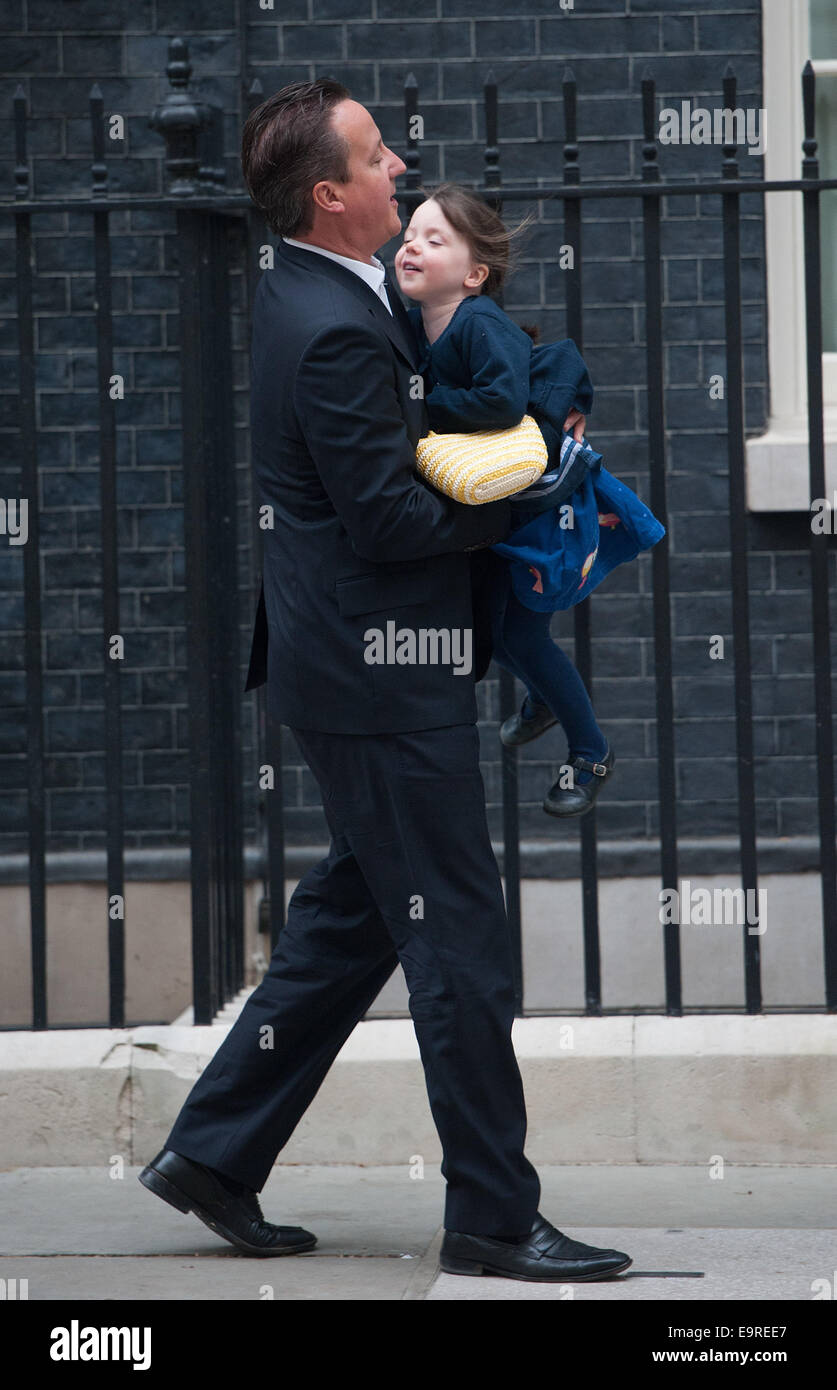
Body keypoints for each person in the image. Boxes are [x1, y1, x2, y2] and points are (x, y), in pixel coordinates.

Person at [138, 80, 632, 1284]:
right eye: (374, 154)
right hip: (376, 674)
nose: (401, 164)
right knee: (460, 940)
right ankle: (493, 1219)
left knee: (356, 922)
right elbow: (392, 518)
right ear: (328, 193)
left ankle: (212, 1152)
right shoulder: (330, 326)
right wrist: (533, 498)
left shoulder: (344, 295)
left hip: (360, 663)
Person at [396, 184, 660, 817]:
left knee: (521, 631)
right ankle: (543, 698)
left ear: (474, 274)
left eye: (436, 240)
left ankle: (592, 751)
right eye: (409, 235)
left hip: (544, 503)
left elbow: (500, 402)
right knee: (504, 631)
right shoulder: (411, 319)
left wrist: (419, 409)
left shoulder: (477, 321)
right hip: (501, 505)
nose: (413, 247)